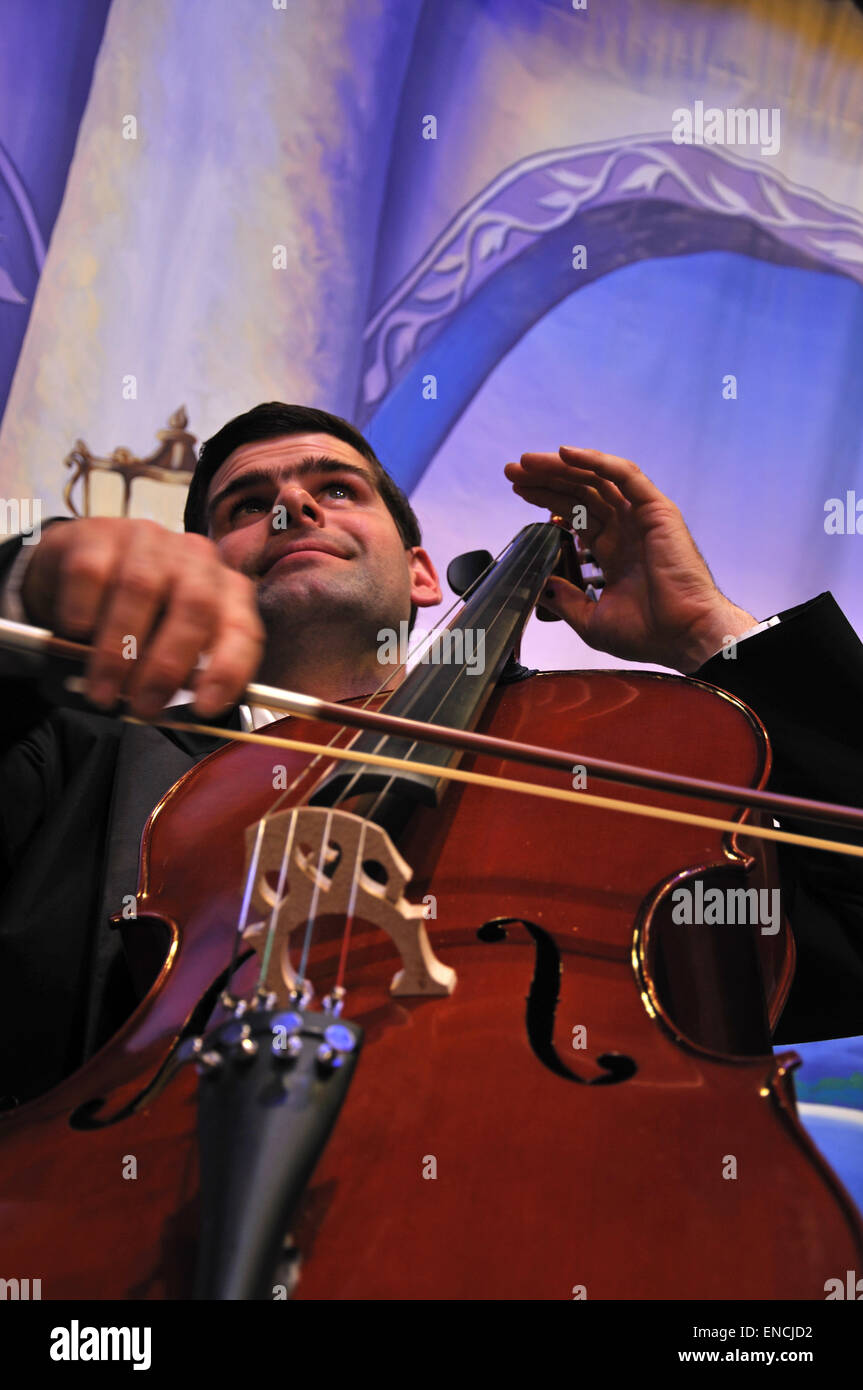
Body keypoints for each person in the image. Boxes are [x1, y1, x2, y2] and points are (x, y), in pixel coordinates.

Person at [0, 402, 861, 1109]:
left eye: (336, 490)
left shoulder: (581, 766)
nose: (292, 509)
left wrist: (708, 629)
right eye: (243, 506)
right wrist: (25, 577)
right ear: (209, 567)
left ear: (419, 571)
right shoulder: (84, 752)